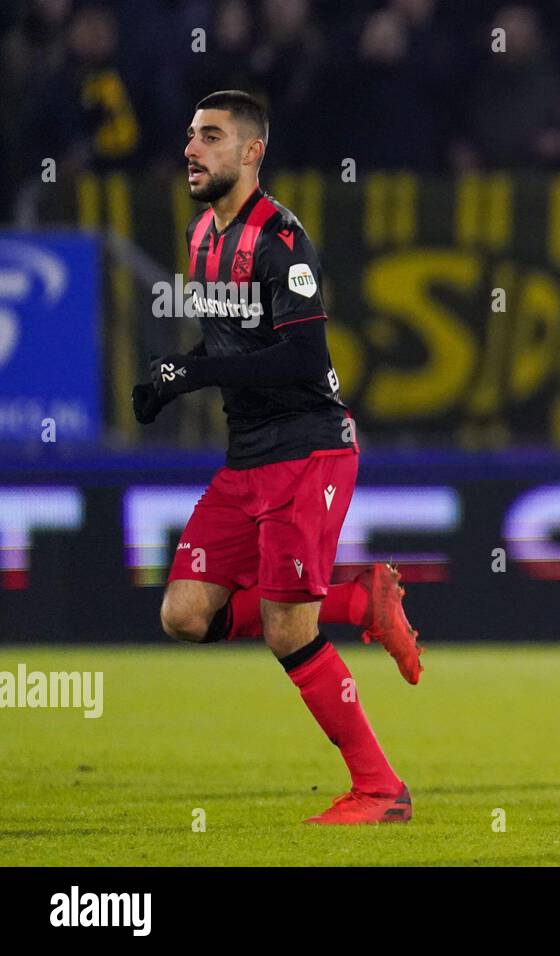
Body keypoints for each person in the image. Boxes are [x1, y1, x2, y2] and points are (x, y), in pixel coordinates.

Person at [133, 90, 422, 825]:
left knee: (288, 629)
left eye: (211, 137)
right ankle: (359, 600)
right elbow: (233, 347)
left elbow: (299, 356)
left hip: (309, 452)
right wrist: (178, 376)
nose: (192, 150)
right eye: (190, 135)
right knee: (185, 614)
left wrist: (193, 375)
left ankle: (382, 789)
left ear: (252, 153)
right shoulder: (202, 236)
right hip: (247, 460)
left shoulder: (280, 241)